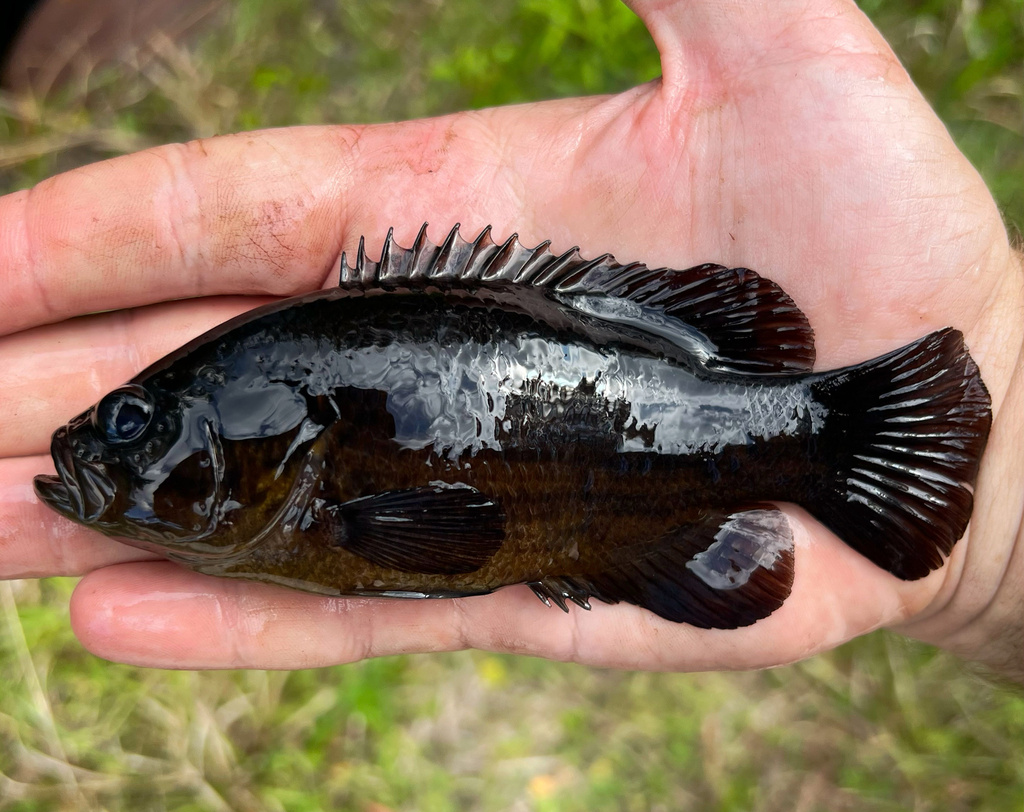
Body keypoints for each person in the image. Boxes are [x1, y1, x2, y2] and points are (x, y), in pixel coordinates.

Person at [1, 0, 1021, 680]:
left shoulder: (287, 424)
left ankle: (836, 433)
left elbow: (440, 539)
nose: (109, 448)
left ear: (273, 435)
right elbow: (445, 537)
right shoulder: (276, 408)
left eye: (138, 425)